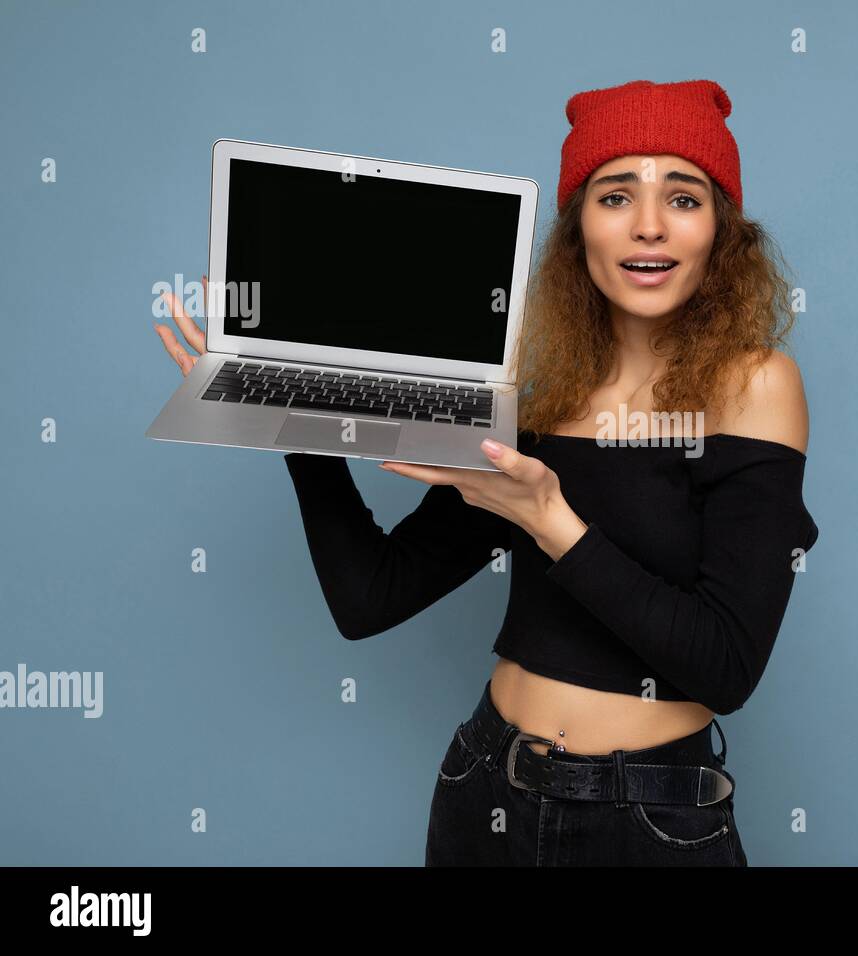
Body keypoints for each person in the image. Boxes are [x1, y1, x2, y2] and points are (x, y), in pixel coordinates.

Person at [153, 78, 819, 866]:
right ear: (578, 230)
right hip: (485, 792)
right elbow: (370, 597)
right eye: (615, 196)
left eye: (682, 197)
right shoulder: (541, 399)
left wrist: (549, 519)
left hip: (648, 823)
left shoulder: (756, 386)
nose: (649, 225)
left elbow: (725, 668)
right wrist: (294, 413)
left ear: (721, 230)